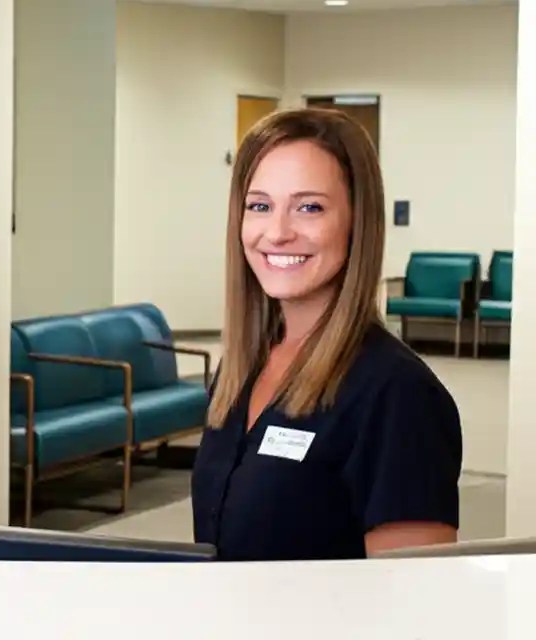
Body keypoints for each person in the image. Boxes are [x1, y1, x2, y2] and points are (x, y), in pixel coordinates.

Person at [191, 107, 462, 561]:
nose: (277, 233)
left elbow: (413, 609)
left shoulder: (398, 395)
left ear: (358, 222)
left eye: (309, 207)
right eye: (260, 206)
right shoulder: (242, 368)